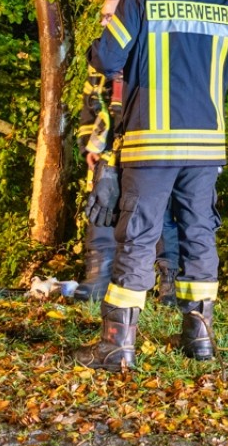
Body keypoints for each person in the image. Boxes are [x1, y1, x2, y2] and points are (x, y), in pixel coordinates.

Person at [74, 0, 228, 371]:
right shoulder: (225, 10)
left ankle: (117, 346)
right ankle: (199, 339)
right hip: (205, 150)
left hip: (150, 146)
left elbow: (106, 59)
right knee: (199, 234)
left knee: (138, 237)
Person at [74, 46, 179, 305]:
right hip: (110, 146)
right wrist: (89, 145)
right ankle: (99, 277)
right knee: (102, 206)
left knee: (159, 213)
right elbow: (90, 104)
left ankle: (168, 284)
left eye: (108, 21)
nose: (104, 25)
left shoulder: (150, 45)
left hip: (148, 143)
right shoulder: (101, 54)